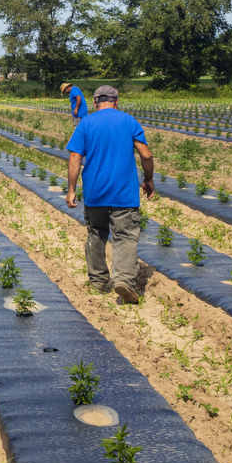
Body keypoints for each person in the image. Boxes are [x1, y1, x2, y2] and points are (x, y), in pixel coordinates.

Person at [64, 84, 154, 304]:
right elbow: (146, 153)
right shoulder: (128, 121)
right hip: (124, 194)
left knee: (96, 233)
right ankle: (123, 280)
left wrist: (72, 190)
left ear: (94, 103)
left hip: (95, 192)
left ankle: (98, 281)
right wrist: (149, 179)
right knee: (124, 237)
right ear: (117, 101)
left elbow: (75, 157)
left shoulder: (86, 123)